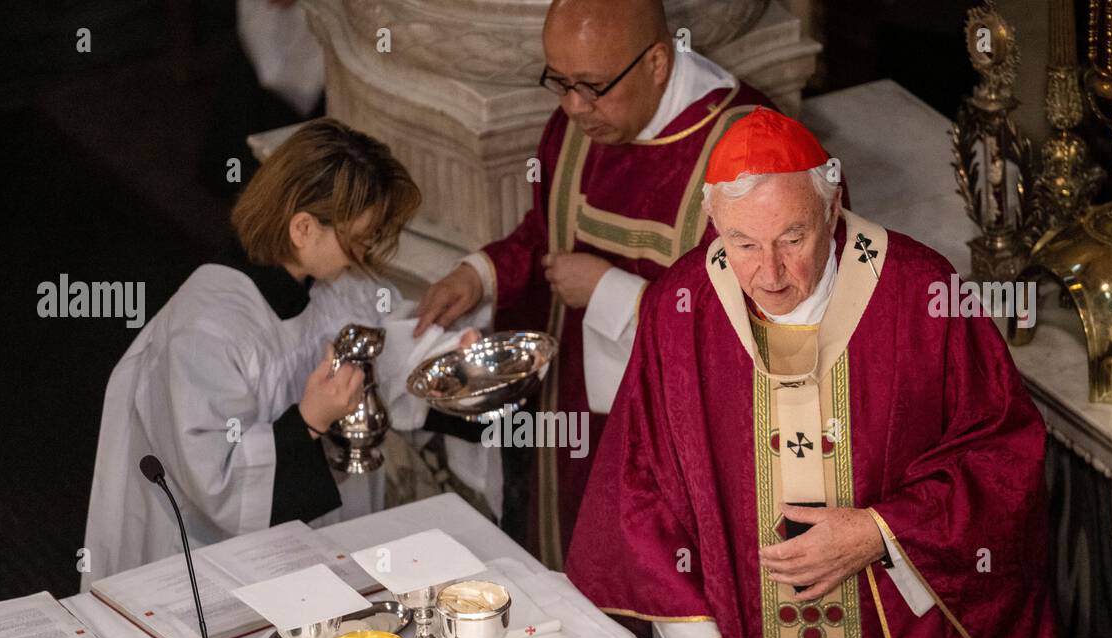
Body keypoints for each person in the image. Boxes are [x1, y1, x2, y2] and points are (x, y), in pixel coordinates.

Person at [565, 109, 1107, 638]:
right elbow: (638, 478)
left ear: (833, 207)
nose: (771, 273)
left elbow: (1002, 457)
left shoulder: (921, 295)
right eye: (744, 244)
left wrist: (883, 533)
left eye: (792, 238)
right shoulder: (681, 308)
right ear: (715, 226)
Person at [413, 0, 774, 569]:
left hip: (690, 439)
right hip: (577, 424)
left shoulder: (751, 154)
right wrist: (480, 274)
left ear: (657, 62)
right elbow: (545, 233)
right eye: (559, 83)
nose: (574, 108)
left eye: (593, 86)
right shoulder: (581, 123)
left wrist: (611, 293)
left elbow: (769, 319)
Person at [82, 119, 425, 588]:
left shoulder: (325, 282)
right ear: (304, 228)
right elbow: (215, 484)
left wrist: (443, 351)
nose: (362, 256)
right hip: (206, 570)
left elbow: (384, 330)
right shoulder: (206, 332)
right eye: (358, 239)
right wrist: (308, 419)